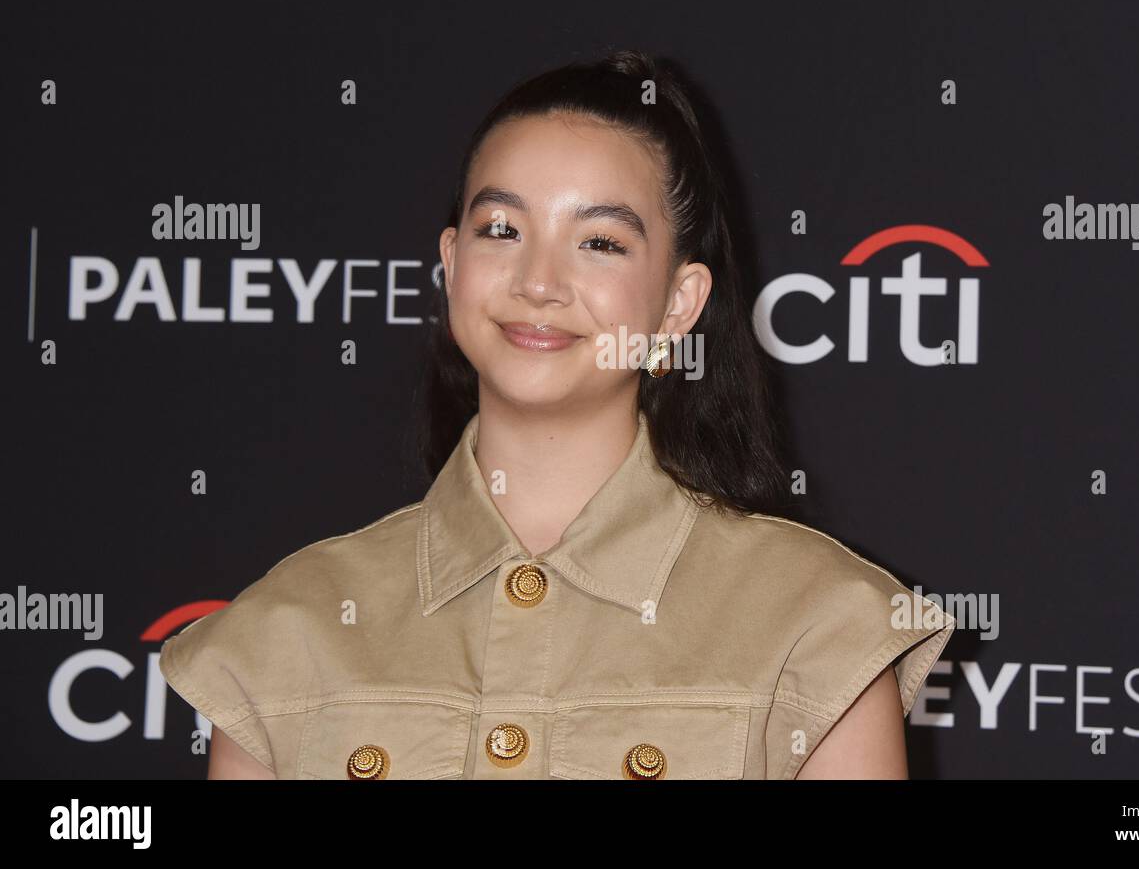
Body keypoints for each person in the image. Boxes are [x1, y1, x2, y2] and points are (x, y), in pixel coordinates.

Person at [159, 49, 956, 780]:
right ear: (451, 264)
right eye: (502, 229)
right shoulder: (285, 632)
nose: (538, 280)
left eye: (600, 242)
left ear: (680, 304)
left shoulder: (819, 631)